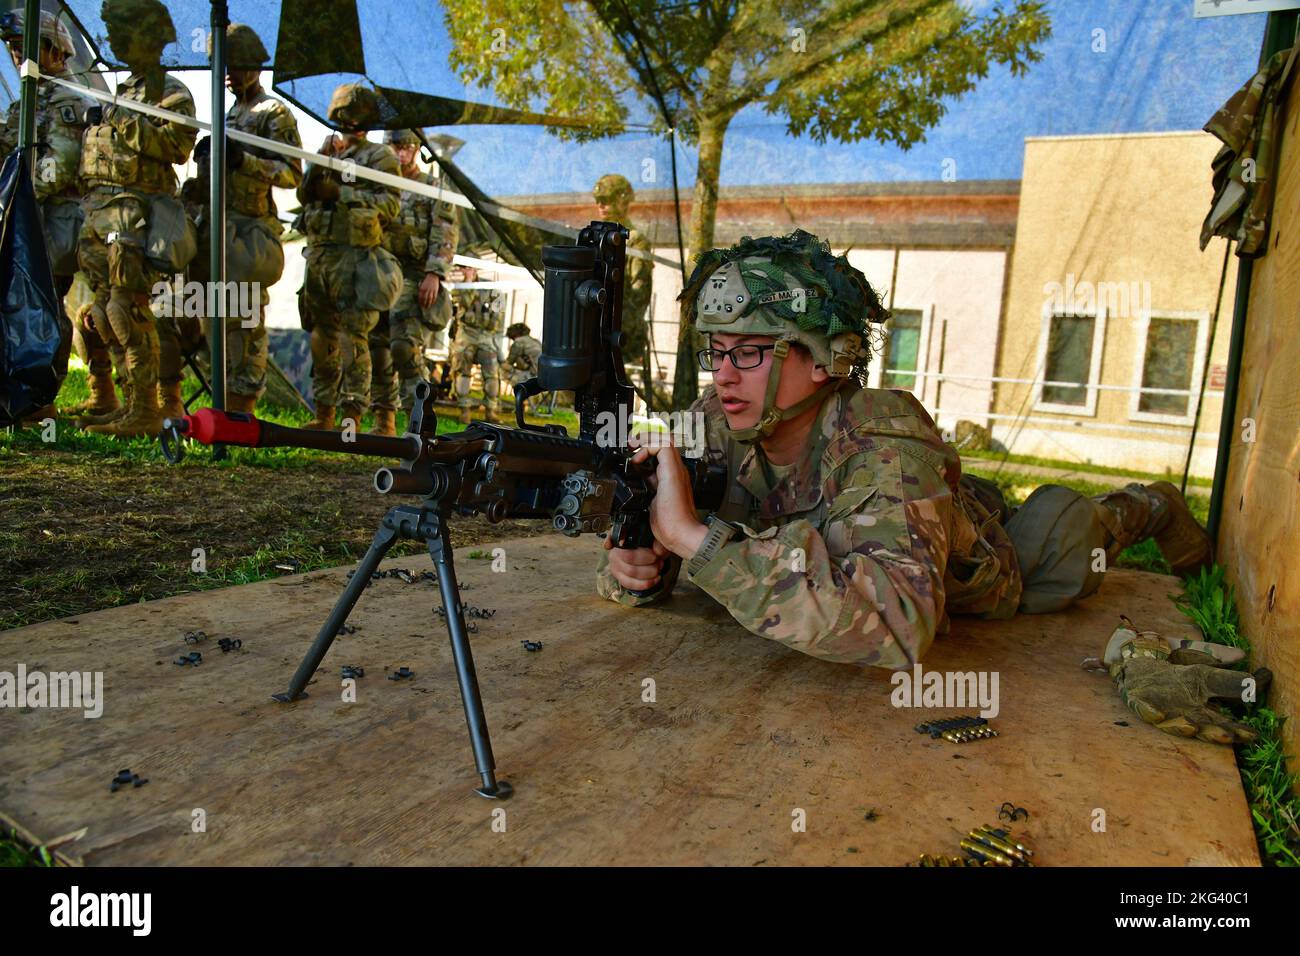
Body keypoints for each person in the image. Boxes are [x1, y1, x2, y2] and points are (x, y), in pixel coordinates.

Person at [596, 231, 1211, 671]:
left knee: (1074, 536)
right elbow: (654, 540)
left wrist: (695, 541)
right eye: (718, 351)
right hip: (896, 527)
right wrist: (639, 564)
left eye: (752, 352)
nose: (724, 375)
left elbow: (897, 624)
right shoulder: (711, 421)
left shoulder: (884, 442)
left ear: (825, 361)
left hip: (983, 569)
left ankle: (1151, 505)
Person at [164, 23, 301, 420]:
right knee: (211, 318)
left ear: (256, 65)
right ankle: (218, 404)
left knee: (242, 322)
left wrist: (244, 160)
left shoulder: (272, 113)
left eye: (238, 64)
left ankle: (241, 409)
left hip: (247, 233)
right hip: (215, 227)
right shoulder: (230, 113)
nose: (230, 73)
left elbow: (292, 172)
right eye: (223, 64)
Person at [75, 0, 197, 438]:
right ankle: (130, 405)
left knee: (129, 310)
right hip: (102, 216)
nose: (118, 40)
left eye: (126, 31)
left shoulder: (170, 90)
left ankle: (149, 409)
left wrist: (121, 122)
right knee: (105, 313)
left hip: (136, 219)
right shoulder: (124, 90)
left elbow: (177, 146)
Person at [0, 9, 94, 423]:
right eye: (13, 47)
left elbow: (62, 165)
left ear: (55, 51)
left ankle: (42, 402)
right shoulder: (28, 99)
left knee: (48, 307)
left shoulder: (70, 100)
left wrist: (13, 190)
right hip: (27, 220)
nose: (18, 55)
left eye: (26, 47)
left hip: (54, 223)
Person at [296, 83, 401, 431]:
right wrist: (319, 166)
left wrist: (340, 192)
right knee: (322, 337)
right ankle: (323, 413)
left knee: (353, 338)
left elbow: (390, 205)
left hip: (355, 259)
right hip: (320, 255)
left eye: (351, 115)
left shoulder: (379, 157)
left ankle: (351, 415)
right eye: (340, 116)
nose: (345, 122)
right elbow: (304, 195)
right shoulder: (330, 152)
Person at [372, 128, 458, 436]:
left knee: (404, 348)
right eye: (392, 146)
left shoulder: (433, 187)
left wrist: (434, 273)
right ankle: (384, 422)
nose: (398, 152)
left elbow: (445, 233)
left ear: (416, 148)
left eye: (404, 146)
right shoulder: (380, 184)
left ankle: (419, 427)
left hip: (414, 275)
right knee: (377, 347)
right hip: (378, 275)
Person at [593, 173, 653, 394]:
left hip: (620, 334)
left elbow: (639, 294)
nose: (600, 205)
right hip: (596, 331)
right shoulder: (597, 238)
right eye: (598, 200)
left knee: (616, 395)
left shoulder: (635, 240)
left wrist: (616, 331)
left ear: (623, 200)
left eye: (606, 199)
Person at [450, 266, 503, 425]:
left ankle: (490, 410)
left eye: (470, 268)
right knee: (462, 372)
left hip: (486, 336)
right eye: (464, 268)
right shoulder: (459, 288)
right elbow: (464, 302)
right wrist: (467, 282)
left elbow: (499, 310)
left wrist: (493, 321)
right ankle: (465, 409)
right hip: (466, 335)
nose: (467, 271)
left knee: (492, 374)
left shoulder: (491, 287)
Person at [504, 321, 541, 414]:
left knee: (504, 369)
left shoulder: (518, 342)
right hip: (542, 375)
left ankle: (520, 403)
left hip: (531, 375)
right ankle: (525, 404)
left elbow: (510, 361)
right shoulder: (536, 341)